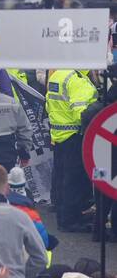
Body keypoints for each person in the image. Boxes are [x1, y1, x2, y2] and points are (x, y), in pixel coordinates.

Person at [46, 68, 97, 232]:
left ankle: (63, 215)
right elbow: (81, 114)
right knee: (74, 180)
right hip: (75, 135)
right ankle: (71, 219)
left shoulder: (59, 75)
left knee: (62, 177)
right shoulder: (77, 80)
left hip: (60, 134)